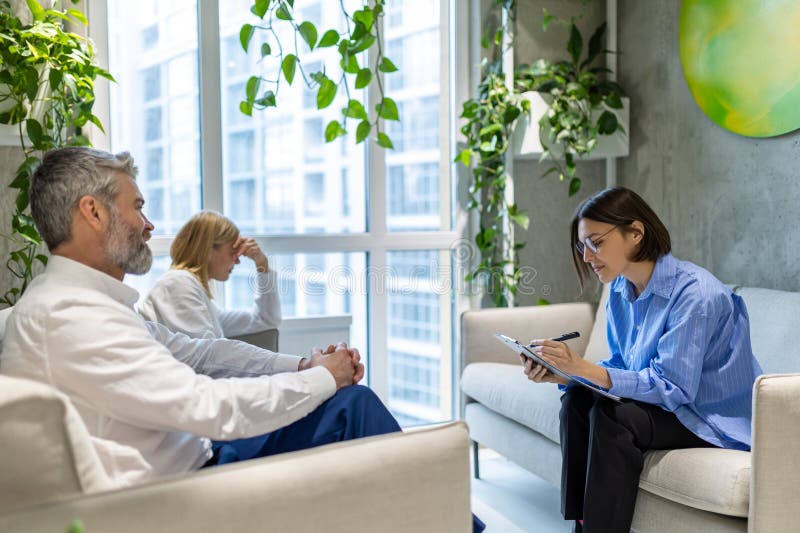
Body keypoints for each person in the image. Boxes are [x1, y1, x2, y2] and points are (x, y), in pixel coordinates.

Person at [0, 146, 401, 485]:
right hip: (190, 484)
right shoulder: (75, 317)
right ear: (94, 212)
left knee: (350, 407)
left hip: (201, 453)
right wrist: (324, 376)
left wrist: (304, 365)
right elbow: (210, 405)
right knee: (353, 408)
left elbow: (202, 352)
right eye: (137, 207)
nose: (148, 225)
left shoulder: (85, 302)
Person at [522, 187, 762, 533]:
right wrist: (564, 375)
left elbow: (673, 387)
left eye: (596, 243)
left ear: (635, 233)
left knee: (613, 416)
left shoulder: (694, 294)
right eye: (582, 246)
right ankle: (583, 522)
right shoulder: (620, 289)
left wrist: (583, 368)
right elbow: (626, 364)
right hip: (671, 405)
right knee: (576, 399)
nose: (587, 257)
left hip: (708, 415)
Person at [139, 210, 281, 340]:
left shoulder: (201, 300)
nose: (237, 261)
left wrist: (262, 265)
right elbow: (207, 357)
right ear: (208, 249)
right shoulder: (178, 283)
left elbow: (266, 320)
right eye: (233, 252)